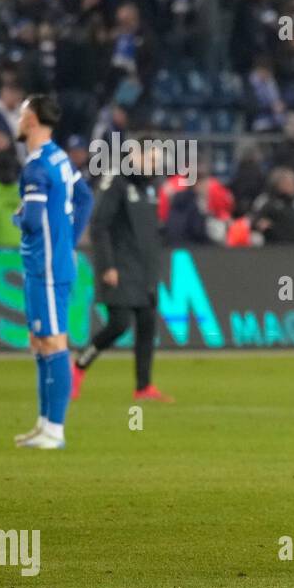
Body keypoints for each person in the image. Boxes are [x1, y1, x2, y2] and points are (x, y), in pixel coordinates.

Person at [12, 94, 93, 449]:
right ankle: (44, 425)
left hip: (45, 265)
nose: (18, 121)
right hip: (50, 262)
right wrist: (69, 241)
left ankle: (55, 430)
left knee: (54, 341)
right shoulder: (59, 157)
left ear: (31, 120)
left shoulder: (37, 167)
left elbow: (31, 220)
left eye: (21, 115)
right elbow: (85, 198)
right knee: (40, 341)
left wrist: (18, 218)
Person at [71, 147, 170, 402]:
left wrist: (154, 267)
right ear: (135, 156)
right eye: (151, 159)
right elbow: (99, 225)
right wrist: (107, 265)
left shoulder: (150, 188)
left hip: (144, 268)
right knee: (119, 324)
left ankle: (144, 387)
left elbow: (151, 232)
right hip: (120, 266)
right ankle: (78, 366)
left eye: (157, 160)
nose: (155, 165)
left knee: (147, 324)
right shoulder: (115, 181)